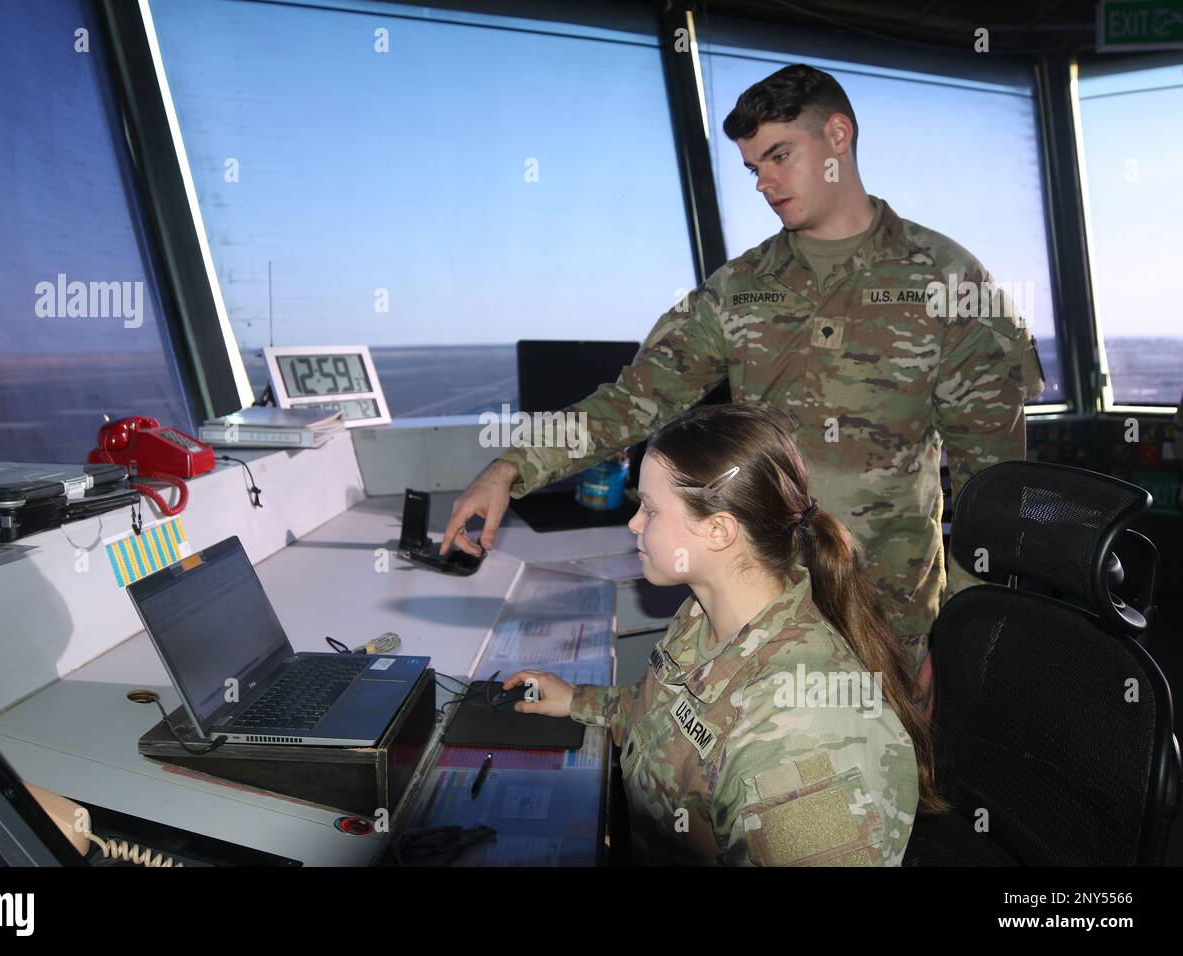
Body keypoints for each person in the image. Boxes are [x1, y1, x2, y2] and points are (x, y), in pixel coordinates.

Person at [441, 64, 1045, 705]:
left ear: (838, 136)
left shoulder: (948, 282)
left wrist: (965, 632)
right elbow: (634, 399)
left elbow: (996, 486)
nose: (764, 182)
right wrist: (512, 468)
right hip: (759, 609)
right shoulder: (739, 289)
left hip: (886, 621)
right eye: (754, 167)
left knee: (888, 796)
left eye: (780, 156)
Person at [503, 404, 942, 866]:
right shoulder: (703, 617)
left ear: (717, 531)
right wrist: (579, 701)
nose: (634, 524)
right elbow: (668, 721)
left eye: (650, 509)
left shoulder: (806, 730)